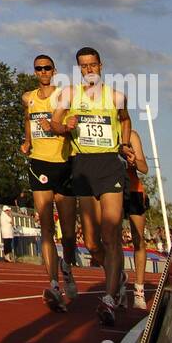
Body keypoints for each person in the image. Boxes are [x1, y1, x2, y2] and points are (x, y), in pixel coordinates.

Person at [51, 48, 133, 325]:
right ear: (78, 68)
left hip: (109, 164)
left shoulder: (116, 96)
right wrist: (65, 125)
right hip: (83, 166)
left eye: (93, 64)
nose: (89, 69)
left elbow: (124, 119)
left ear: (101, 65)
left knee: (111, 235)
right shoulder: (69, 94)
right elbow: (54, 123)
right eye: (84, 66)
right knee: (91, 242)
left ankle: (108, 299)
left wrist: (125, 144)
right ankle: (117, 274)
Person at [20, 54, 78, 310]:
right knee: (46, 227)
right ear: (34, 72)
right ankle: (53, 284)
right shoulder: (28, 97)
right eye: (38, 68)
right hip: (39, 163)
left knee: (67, 233)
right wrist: (28, 141)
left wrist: (56, 127)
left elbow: (70, 128)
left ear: (54, 71)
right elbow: (27, 119)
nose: (43, 72)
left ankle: (66, 265)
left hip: (63, 164)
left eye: (47, 68)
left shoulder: (63, 96)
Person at [122, 128, 150, 310]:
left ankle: (139, 290)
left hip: (133, 190)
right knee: (111, 241)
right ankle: (119, 285)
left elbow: (144, 167)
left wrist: (134, 161)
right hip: (112, 188)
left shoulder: (132, 135)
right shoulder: (106, 129)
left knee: (138, 240)